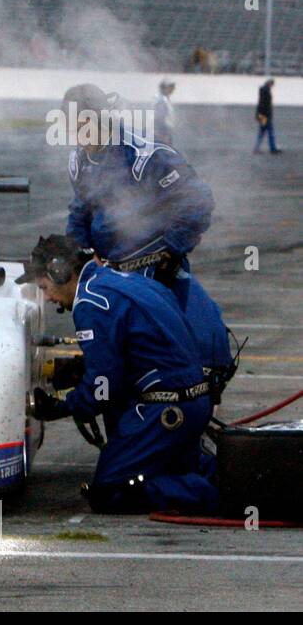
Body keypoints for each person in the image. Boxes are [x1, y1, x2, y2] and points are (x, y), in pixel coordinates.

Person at [59, 83, 234, 403]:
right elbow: (79, 212)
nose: (76, 134)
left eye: (82, 124)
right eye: (71, 126)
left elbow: (198, 202)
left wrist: (170, 251)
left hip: (157, 276)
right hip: (110, 281)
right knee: (117, 369)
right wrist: (81, 256)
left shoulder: (147, 156)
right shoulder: (79, 162)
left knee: (169, 363)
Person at [21, 236, 217, 514]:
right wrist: (81, 370)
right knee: (189, 467)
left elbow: (104, 386)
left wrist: (63, 406)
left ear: (61, 272)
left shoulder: (91, 302)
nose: (48, 298)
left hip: (164, 410)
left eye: (45, 287)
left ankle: (222, 495)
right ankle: (233, 479)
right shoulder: (124, 280)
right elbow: (139, 350)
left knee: (111, 492)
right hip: (192, 404)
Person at [254, 78, 280, 154]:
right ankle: (272, 148)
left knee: (262, 133)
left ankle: (257, 148)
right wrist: (268, 116)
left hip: (262, 115)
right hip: (265, 116)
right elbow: (265, 105)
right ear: (270, 84)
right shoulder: (266, 92)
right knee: (270, 132)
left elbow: (261, 105)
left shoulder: (263, 91)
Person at [153, 78, 175, 146]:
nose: (172, 90)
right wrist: (164, 135)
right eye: (170, 87)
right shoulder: (161, 100)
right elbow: (160, 118)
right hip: (163, 132)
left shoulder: (164, 100)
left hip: (165, 132)